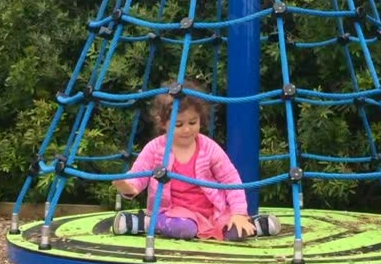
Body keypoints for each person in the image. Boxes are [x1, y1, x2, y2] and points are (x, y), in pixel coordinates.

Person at [112, 78, 280, 241]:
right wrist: (129, 187)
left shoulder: (208, 148)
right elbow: (138, 175)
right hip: (173, 213)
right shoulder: (155, 148)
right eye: (178, 125)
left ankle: (251, 224)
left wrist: (239, 212)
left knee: (236, 232)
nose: (186, 130)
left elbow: (231, 180)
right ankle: (147, 222)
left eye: (193, 122)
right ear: (163, 123)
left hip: (211, 213)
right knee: (184, 229)